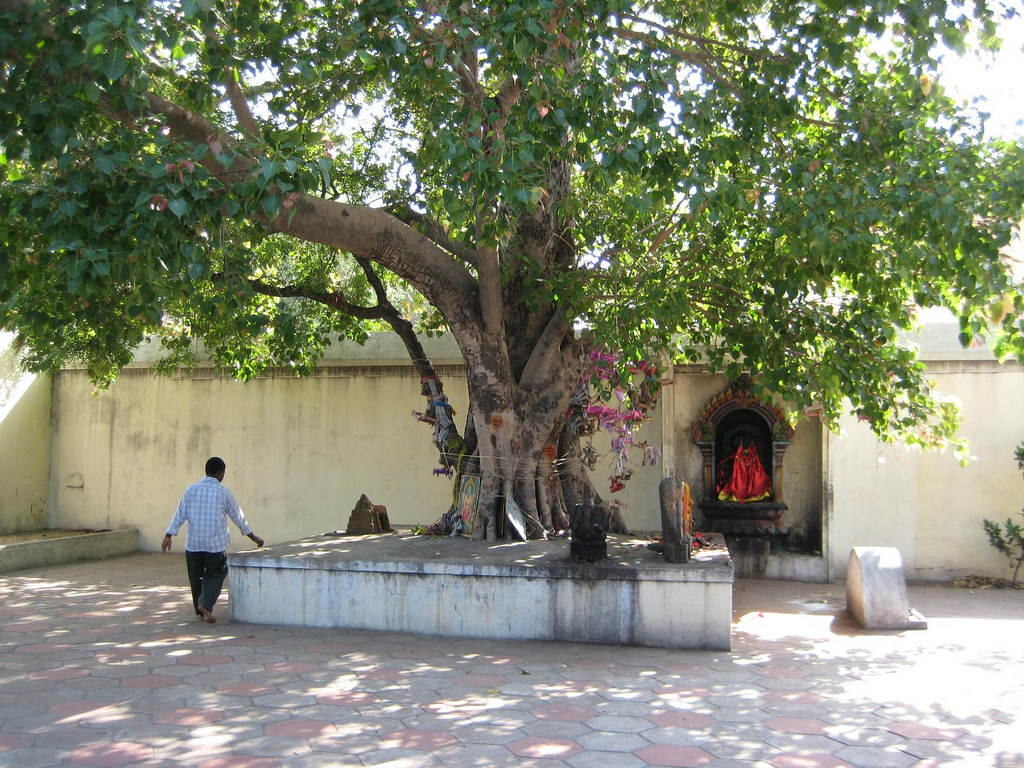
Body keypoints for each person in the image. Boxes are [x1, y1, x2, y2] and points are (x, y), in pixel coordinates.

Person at [162, 457, 264, 623]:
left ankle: (200, 612)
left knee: (195, 578)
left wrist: (169, 535)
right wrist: (254, 537)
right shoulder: (224, 493)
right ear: (219, 473)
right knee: (217, 572)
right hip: (214, 545)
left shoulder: (191, 490)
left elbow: (179, 514)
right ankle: (205, 604)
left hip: (193, 544)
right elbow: (238, 517)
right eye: (223, 473)